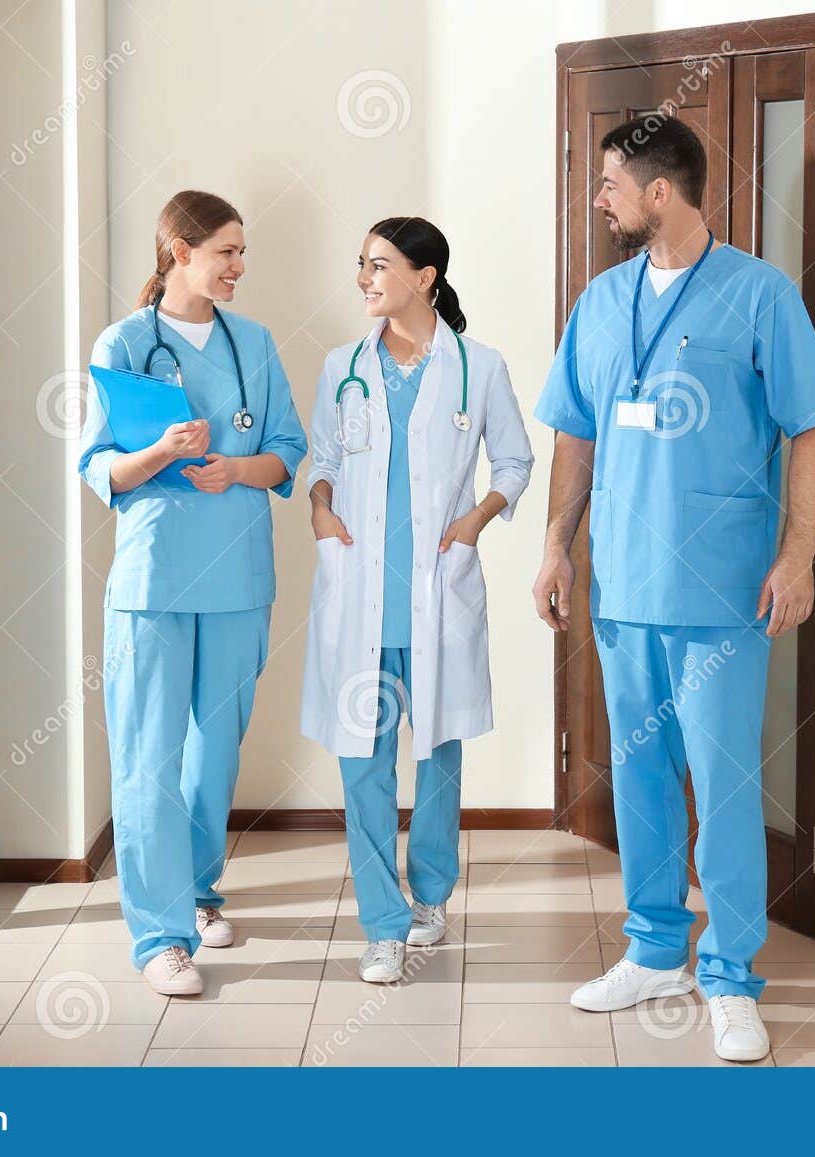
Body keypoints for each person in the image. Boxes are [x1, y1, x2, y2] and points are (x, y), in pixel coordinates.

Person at [531, 117, 815, 1061]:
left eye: (611, 184)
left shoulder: (758, 295)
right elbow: (576, 435)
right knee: (638, 777)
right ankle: (657, 948)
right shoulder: (600, 299)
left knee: (724, 783)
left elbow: (814, 424)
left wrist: (798, 555)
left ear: (659, 191)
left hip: (719, 590)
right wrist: (556, 544)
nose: (601, 198)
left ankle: (732, 977)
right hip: (621, 584)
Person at [78, 190, 308, 996]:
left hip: (239, 576)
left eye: (243, 253)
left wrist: (235, 469)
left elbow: (286, 448)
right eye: (227, 252)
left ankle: (201, 893)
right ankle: (160, 936)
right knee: (148, 755)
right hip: (154, 578)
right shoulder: (125, 342)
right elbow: (99, 467)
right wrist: (159, 451)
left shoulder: (255, 342)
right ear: (180, 250)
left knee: (214, 753)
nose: (240, 266)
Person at [301, 217, 533, 983]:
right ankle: (383, 925)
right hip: (359, 590)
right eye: (361, 265)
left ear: (425, 275)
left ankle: (431, 894)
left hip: (437, 594)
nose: (365, 278)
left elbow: (515, 458)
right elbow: (324, 456)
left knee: (438, 761)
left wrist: (474, 519)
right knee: (363, 766)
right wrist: (321, 505)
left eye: (379, 265)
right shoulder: (344, 364)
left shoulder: (479, 366)